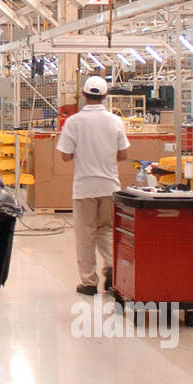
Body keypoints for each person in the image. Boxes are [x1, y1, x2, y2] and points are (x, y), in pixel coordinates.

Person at [56, 75, 129, 295]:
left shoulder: (74, 122)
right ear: (105, 96)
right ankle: (112, 268)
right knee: (107, 229)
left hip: (85, 188)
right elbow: (124, 154)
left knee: (85, 234)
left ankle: (89, 282)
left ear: (83, 95)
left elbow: (65, 157)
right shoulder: (115, 121)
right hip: (110, 186)